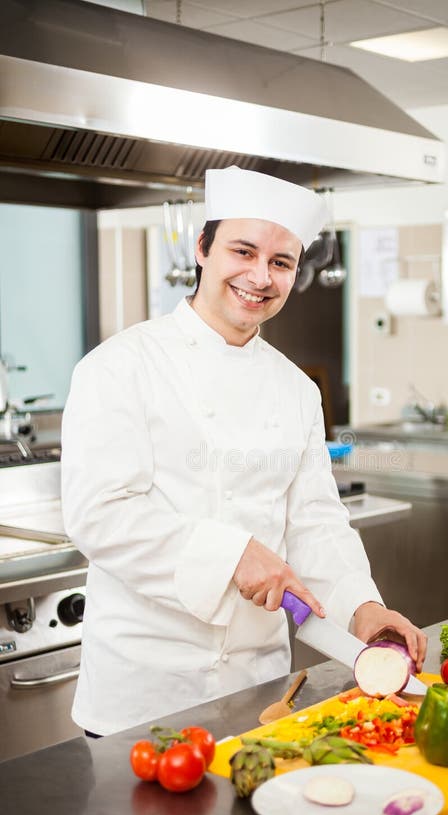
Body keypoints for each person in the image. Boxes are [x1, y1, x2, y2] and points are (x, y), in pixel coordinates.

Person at [61, 166, 426, 737]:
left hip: (258, 689)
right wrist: (233, 555)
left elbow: (315, 521)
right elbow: (100, 514)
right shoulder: (120, 366)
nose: (261, 276)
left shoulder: (296, 389)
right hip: (142, 692)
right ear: (203, 248)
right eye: (243, 251)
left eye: (281, 262)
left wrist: (363, 608)